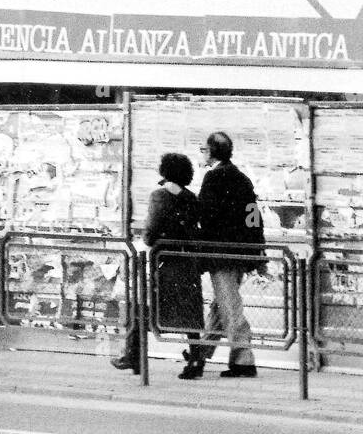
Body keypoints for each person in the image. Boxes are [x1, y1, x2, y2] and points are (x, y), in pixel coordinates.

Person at [111, 153, 205, 380]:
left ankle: (134, 356)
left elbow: (150, 235)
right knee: (189, 315)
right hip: (187, 265)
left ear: (164, 171)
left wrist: (151, 237)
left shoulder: (159, 196)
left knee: (143, 306)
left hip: (163, 265)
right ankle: (196, 359)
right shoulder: (192, 198)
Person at [192, 131, 263, 378]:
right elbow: (254, 213)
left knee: (230, 308)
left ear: (212, 152)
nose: (202, 153)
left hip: (221, 254)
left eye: (204, 149)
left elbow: (205, 217)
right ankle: (199, 355)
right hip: (240, 254)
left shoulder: (213, 178)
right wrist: (257, 247)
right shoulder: (242, 178)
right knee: (221, 307)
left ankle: (244, 361)